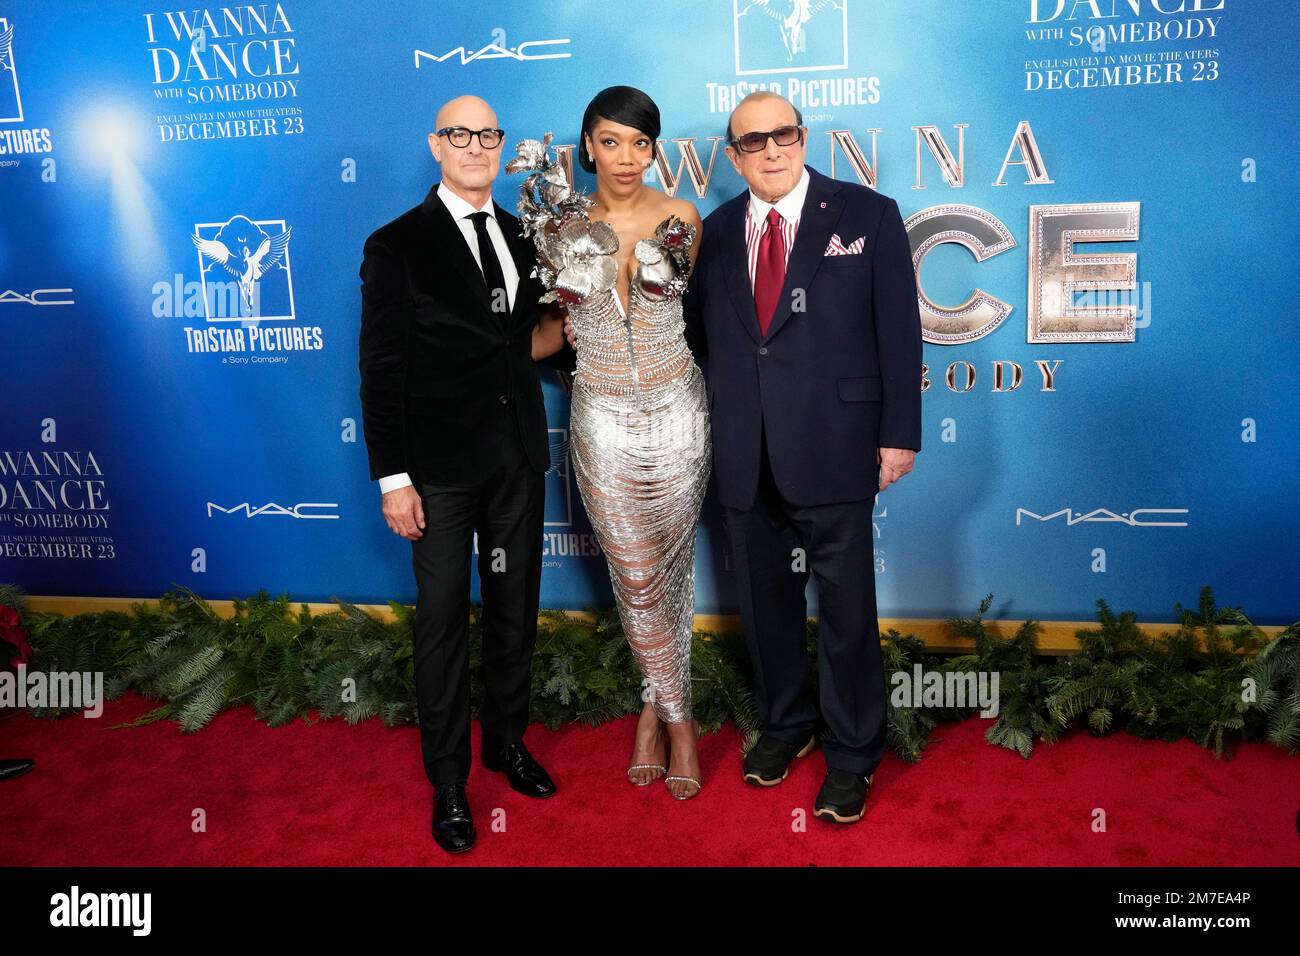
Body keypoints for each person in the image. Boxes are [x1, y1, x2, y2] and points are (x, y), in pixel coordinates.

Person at [680, 91, 923, 823]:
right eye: (754, 142)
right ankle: (786, 725)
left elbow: (900, 333)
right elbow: (702, 340)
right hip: (745, 453)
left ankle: (853, 753)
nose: (773, 150)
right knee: (764, 609)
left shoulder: (867, 214)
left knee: (848, 613)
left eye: (783, 134)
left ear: (804, 136)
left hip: (837, 447)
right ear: (735, 155)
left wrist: (900, 433)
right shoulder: (715, 234)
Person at [357, 94, 575, 854]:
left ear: (501, 144)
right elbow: (380, 371)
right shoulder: (397, 245)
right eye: (461, 133)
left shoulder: (526, 234)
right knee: (444, 620)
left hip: (516, 457)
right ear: (436, 144)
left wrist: (592, 318)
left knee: (515, 607)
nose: (476, 145)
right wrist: (393, 479)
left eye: (488, 134)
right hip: (439, 472)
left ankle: (506, 742)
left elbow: (523, 345)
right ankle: (449, 780)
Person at [521, 86, 710, 800]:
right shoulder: (558, 227)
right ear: (587, 146)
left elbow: (699, 317)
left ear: (653, 149)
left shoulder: (682, 218)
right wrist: (485, 357)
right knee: (633, 573)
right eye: (610, 141)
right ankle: (679, 717)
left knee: (673, 562)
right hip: (600, 413)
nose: (626, 157)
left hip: (679, 411)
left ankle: (651, 711)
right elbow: (543, 332)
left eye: (640, 143)